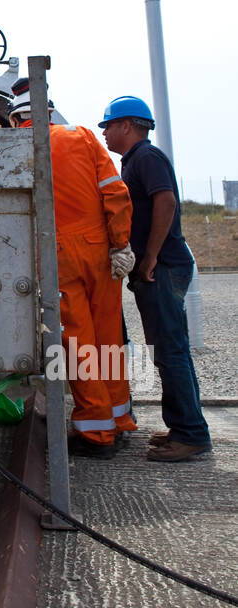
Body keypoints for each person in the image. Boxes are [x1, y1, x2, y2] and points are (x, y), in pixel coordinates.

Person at [7, 90, 137, 457]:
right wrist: (120, 244)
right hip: (100, 251)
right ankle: (119, 420)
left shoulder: (19, 146)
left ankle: (97, 433)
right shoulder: (82, 135)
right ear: (49, 113)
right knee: (109, 338)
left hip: (57, 254)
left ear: (17, 120)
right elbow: (115, 192)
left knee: (78, 344)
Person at [100, 96, 212, 462]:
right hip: (160, 267)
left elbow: (165, 202)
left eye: (109, 126)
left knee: (170, 352)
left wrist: (149, 257)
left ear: (128, 126)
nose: (105, 134)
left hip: (162, 268)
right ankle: (185, 427)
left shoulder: (146, 158)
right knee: (171, 350)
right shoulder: (137, 160)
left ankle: (191, 435)